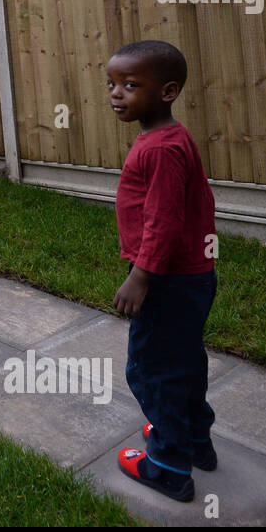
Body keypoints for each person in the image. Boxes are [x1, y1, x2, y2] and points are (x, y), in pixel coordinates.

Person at [107, 39, 218, 503]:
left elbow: (164, 219)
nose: (117, 94)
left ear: (168, 91)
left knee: (151, 371)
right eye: (112, 84)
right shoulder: (169, 136)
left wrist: (140, 276)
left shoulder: (160, 149)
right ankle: (195, 440)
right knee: (184, 361)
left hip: (167, 281)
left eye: (131, 85)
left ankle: (168, 465)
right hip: (191, 275)